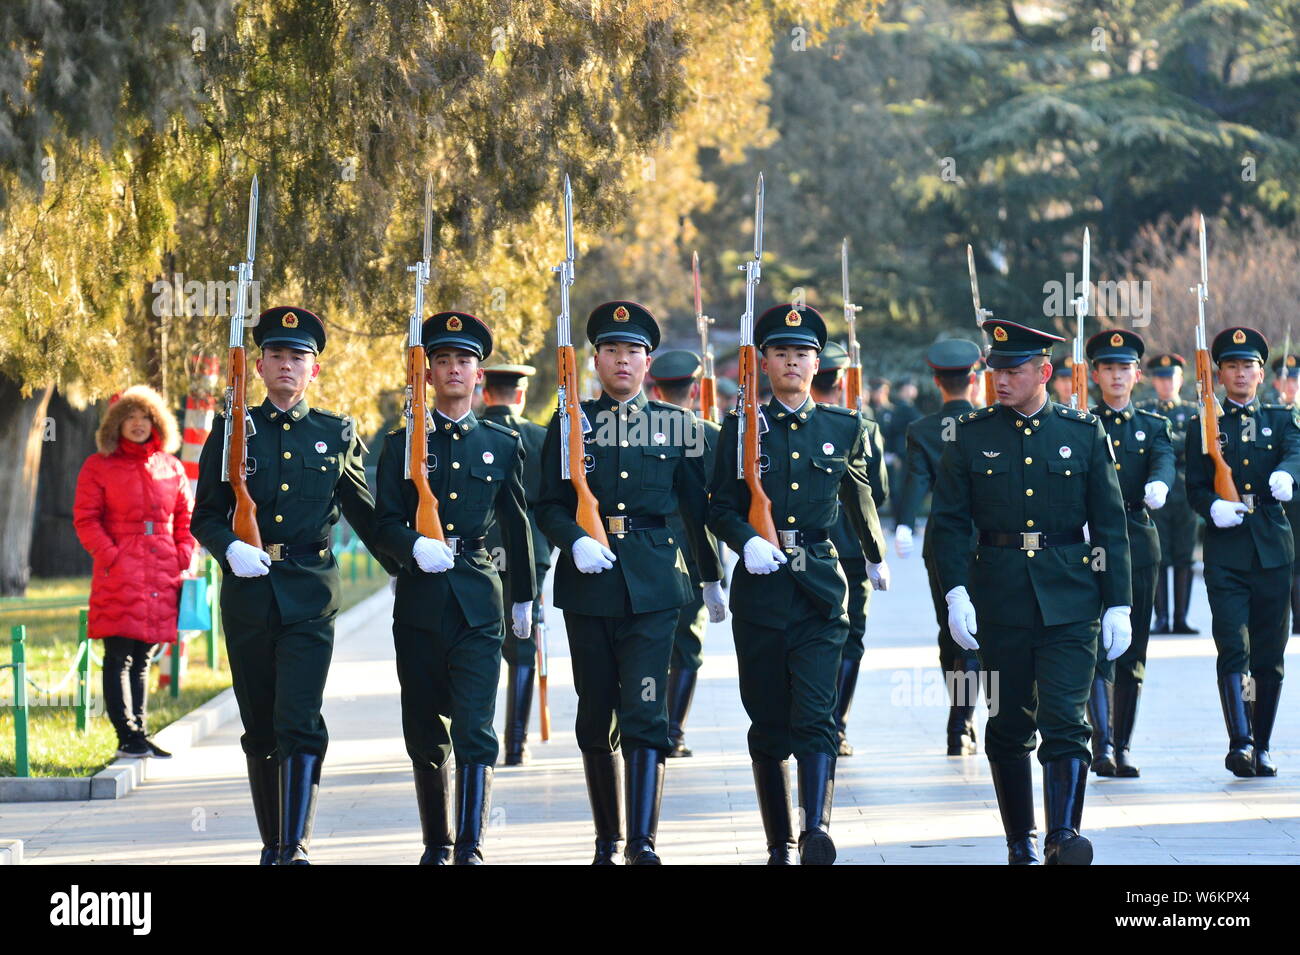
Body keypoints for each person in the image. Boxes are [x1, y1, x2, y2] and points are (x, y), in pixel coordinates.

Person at [192, 306, 393, 865]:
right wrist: (230, 547)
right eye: (277, 355)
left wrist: (414, 560)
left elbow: (368, 515)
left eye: (298, 356)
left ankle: (293, 845)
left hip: (310, 594)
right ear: (258, 366)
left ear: (315, 371)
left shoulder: (335, 433)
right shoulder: (231, 430)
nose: (287, 364)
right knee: (260, 722)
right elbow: (205, 513)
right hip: (249, 595)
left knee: (299, 717)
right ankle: (270, 842)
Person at [929, 319, 1132, 865]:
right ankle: (1020, 838)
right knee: (1011, 722)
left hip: (1070, 597)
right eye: (994, 369)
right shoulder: (971, 434)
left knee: (1067, 720)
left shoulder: (1083, 431)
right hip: (1000, 599)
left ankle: (1063, 835)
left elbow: (1110, 524)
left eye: (1012, 370)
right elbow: (947, 525)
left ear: (1044, 372)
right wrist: (955, 594)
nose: (999, 379)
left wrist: (1118, 601)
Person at [536, 301, 725, 865]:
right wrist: (573, 539)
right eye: (612, 350)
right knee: (596, 712)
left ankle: (642, 842)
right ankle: (606, 840)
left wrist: (711, 579)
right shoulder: (570, 423)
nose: (623, 361)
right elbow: (546, 504)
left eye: (634, 352)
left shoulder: (680, 426)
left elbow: (696, 508)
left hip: (656, 585)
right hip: (590, 585)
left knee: (646, 708)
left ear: (648, 362)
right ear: (595, 360)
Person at [708, 303, 889, 865]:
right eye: (781, 352)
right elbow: (716, 505)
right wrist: (745, 540)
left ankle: (817, 831)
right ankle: (779, 843)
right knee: (767, 723)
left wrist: (877, 553)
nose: (791, 361)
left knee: (816, 716)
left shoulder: (845, 426)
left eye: (802, 353)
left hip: (819, 589)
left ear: (817, 363)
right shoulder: (740, 428)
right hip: (761, 591)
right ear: (763, 362)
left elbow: (862, 494)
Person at [373, 312, 536, 864]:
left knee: (474, 722)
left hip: (477, 598)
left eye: (463, 361)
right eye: (441, 360)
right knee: (422, 723)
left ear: (478, 374)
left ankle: (469, 845)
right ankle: (436, 843)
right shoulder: (402, 445)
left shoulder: (501, 441)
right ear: (427, 373)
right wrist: (410, 546)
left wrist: (524, 597)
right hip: (420, 598)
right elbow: (384, 519)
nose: (452, 370)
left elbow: (517, 522)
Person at [1185, 327, 1300, 778]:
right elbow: (1194, 485)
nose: (1240, 373)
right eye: (1231, 365)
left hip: (1272, 546)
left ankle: (1264, 742)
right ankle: (1241, 741)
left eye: (1248, 365)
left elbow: (1296, 452)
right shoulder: (1206, 424)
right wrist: (1212, 506)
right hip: (1227, 551)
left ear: (1260, 372)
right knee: (1233, 645)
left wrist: (1288, 475)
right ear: (1220, 373)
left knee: (1269, 654)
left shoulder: (1281, 418)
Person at [74, 385, 195, 760]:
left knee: (144, 656)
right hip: (120, 570)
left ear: (157, 421)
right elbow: (86, 519)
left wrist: (182, 554)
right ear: (117, 424)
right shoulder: (99, 466)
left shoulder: (170, 466)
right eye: (130, 417)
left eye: (145, 417)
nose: (138, 424)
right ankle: (125, 734)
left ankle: (140, 732)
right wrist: (111, 556)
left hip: (161, 569)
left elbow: (186, 517)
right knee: (118, 654)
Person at [1084, 330, 1175, 779]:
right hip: (1088, 543)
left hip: (1137, 541)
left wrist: (1160, 483)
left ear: (1137, 375)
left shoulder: (1154, 426)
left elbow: (1164, 460)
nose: (1117, 376)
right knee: (1097, 645)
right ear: (1095, 374)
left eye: (1125, 369)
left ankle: (1123, 745)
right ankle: (1100, 743)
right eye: (1108, 368)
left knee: (1133, 647)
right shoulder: (1079, 423)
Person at [893, 339, 982, 755]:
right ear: (975, 378)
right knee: (986, 631)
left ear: (936, 381)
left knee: (952, 631)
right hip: (989, 541)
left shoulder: (923, 430)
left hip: (944, 544)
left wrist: (906, 526)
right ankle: (969, 718)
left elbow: (915, 483)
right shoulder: (989, 423)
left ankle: (958, 718)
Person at [808, 340, 888, 756]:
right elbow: (878, 495)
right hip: (853, 553)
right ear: (840, 380)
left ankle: (810, 719)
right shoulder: (862, 426)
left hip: (804, 551)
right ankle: (835, 725)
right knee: (849, 638)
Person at [645, 348, 724, 759]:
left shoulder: (635, 428)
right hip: (695, 555)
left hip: (645, 554)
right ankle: (674, 732)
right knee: (687, 645)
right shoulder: (709, 433)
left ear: (654, 387)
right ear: (694, 389)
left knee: (646, 643)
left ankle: (648, 723)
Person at [478, 361, 554, 766]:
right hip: (530, 557)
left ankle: (477, 736)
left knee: (478, 644)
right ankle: (515, 744)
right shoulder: (540, 437)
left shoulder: (472, 433)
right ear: (521, 395)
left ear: (485, 393)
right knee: (523, 646)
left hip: (478, 553)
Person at [1137, 354, 1200, 634]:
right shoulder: (1146, 411)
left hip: (1184, 495)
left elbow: (1196, 444)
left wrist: (1166, 441)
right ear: (1153, 381)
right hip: (1155, 492)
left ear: (1180, 379)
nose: (1166, 383)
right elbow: (1158, 447)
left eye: (1170, 377)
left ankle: (1181, 618)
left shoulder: (1193, 411)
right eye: (1161, 377)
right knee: (1159, 556)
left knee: (1184, 556)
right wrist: (1178, 442)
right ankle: (1162, 618)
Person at [1272, 353, 1300, 634]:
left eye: (1294, 379)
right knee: (1288, 558)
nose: (1290, 385)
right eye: (1285, 379)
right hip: (1284, 498)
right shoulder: (1273, 414)